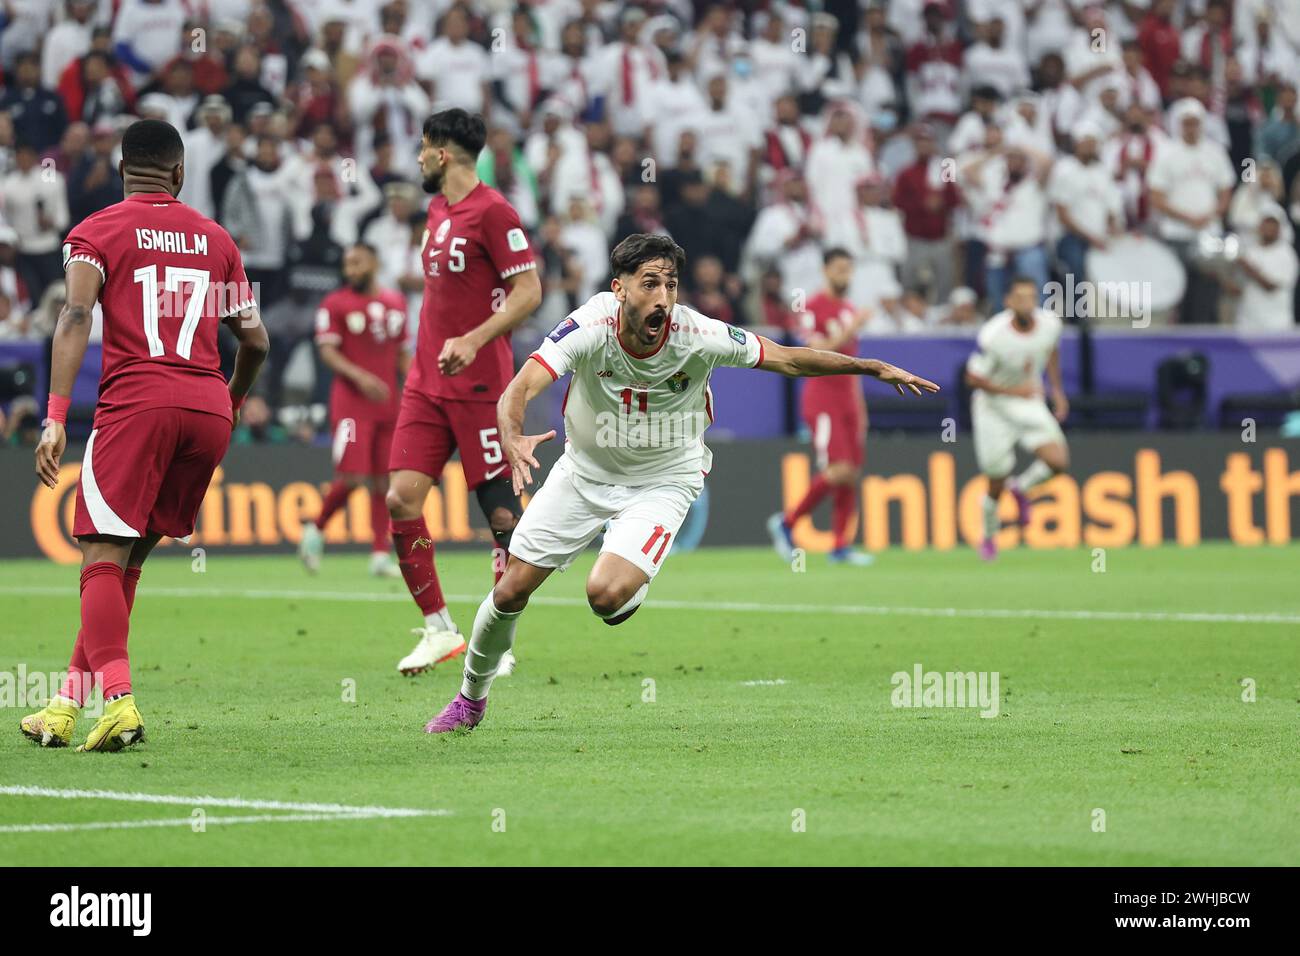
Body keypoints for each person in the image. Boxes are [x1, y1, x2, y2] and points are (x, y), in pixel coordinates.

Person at [423, 234, 938, 732]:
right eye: (650, 284)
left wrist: (870, 367)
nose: (663, 298)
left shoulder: (699, 333)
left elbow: (787, 358)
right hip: (584, 473)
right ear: (619, 288)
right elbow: (521, 386)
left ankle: (629, 559)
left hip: (663, 480)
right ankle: (470, 700)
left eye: (670, 285)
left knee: (605, 596)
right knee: (510, 589)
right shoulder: (589, 325)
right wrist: (512, 435)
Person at [24, 119, 269, 750]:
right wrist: (231, 401)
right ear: (179, 173)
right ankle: (64, 706)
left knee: (100, 558)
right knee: (124, 564)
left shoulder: (96, 231)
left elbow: (76, 313)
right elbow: (256, 340)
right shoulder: (217, 239)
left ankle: (119, 704)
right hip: (207, 411)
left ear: (121, 168)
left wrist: (55, 416)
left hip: (138, 407)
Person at [386, 109, 542, 677]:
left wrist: (474, 340)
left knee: (502, 516)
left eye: (423, 149)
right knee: (401, 500)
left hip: (481, 387)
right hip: (426, 385)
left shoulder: (495, 212)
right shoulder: (436, 211)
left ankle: (497, 641)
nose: (419, 159)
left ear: (442, 153)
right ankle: (439, 629)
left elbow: (529, 291)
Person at [299, 244, 410, 578]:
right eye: (347, 264)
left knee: (383, 482)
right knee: (352, 477)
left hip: (388, 404)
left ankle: (379, 555)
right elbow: (327, 352)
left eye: (357, 262)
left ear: (374, 263)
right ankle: (316, 528)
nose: (350, 269)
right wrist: (361, 377)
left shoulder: (395, 303)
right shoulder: (335, 303)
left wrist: (417, 387)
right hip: (351, 404)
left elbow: (402, 354)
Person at [767, 248, 875, 566]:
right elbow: (814, 352)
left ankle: (840, 546)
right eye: (839, 269)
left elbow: (853, 364)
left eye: (848, 269)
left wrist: (861, 409)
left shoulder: (848, 309)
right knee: (837, 471)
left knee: (850, 474)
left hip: (848, 399)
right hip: (822, 399)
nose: (845, 275)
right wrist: (852, 327)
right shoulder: (811, 307)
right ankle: (787, 522)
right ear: (826, 270)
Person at [964, 276, 1069, 562]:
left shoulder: (1050, 325)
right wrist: (1014, 391)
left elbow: (1051, 351)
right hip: (993, 408)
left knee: (1058, 461)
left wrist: (1057, 391)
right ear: (1008, 302)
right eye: (1020, 298)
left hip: (1028, 401)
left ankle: (1020, 488)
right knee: (995, 480)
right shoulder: (993, 335)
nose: (1027, 303)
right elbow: (972, 378)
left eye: (1031, 297)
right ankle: (989, 537)